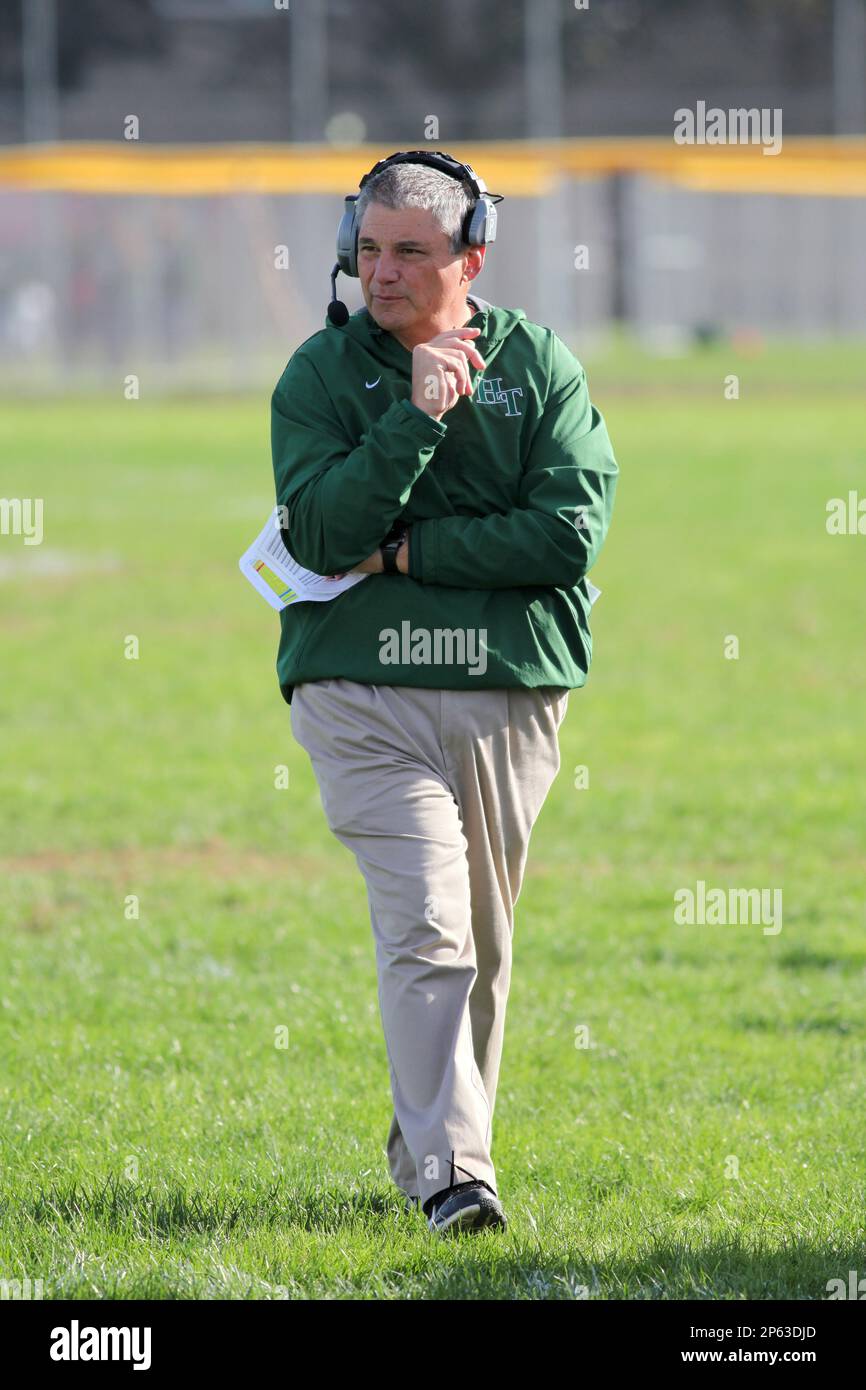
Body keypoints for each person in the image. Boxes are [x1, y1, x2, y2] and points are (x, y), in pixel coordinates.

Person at [270, 151, 618, 1235]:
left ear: (470, 258)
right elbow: (321, 532)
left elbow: (564, 535)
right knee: (430, 929)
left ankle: (424, 1138)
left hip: (507, 690)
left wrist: (408, 552)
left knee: (484, 948)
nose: (381, 274)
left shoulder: (539, 365)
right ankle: (455, 1174)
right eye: (367, 251)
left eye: (410, 253)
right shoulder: (319, 377)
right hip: (359, 694)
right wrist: (414, 419)